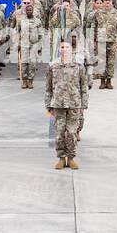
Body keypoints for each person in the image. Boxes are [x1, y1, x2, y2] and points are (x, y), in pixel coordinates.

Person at [47, 41, 89, 169]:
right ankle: (61, 158)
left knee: (71, 132)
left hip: (74, 104)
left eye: (67, 47)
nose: (64, 49)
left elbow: (84, 87)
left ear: (71, 50)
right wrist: (48, 105)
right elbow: (48, 88)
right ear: (59, 50)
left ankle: (70, 158)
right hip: (58, 104)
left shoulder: (78, 66)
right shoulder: (53, 67)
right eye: (62, 47)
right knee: (59, 132)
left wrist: (83, 105)